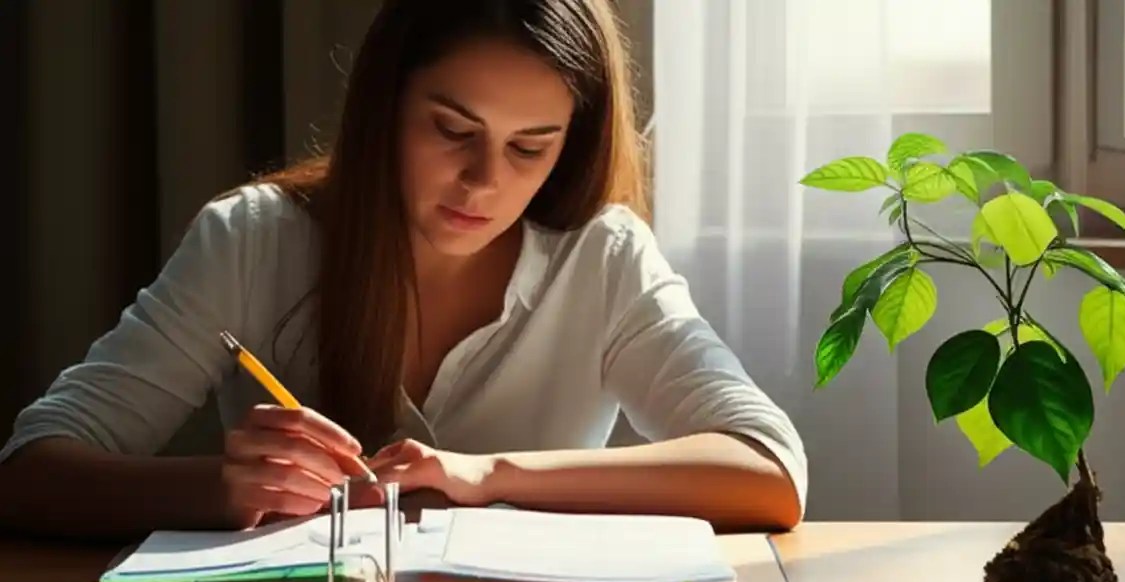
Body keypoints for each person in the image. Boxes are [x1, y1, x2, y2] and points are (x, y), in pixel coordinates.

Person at [0, 0, 806, 539]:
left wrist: (488, 475)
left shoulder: (600, 255)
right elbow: (30, 472)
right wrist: (218, 489)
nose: (486, 182)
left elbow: (768, 472)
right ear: (385, 106)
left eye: (531, 147)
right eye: (453, 130)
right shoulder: (252, 240)